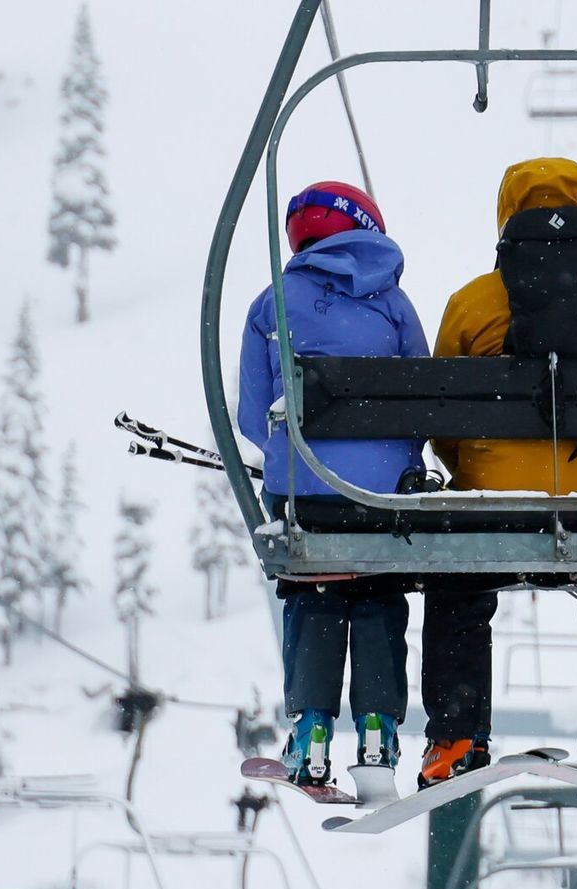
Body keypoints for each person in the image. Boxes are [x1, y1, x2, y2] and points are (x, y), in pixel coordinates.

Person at [418, 158, 577, 788]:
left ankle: (456, 735)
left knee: (456, 588)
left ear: (506, 213)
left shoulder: (472, 302)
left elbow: (440, 418)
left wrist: (475, 474)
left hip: (493, 508)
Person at [237, 180, 427, 786]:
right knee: (376, 593)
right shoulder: (395, 304)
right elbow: (429, 399)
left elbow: (251, 415)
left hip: (306, 498)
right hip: (381, 503)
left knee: (313, 589)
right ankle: (376, 728)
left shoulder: (272, 304)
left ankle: (313, 727)